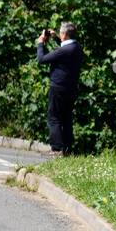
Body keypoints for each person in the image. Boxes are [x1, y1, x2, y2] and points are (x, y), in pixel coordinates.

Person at [37, 21, 83, 154]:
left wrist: (41, 43)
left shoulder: (63, 51)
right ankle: (67, 149)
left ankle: (57, 148)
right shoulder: (77, 47)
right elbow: (65, 47)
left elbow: (42, 59)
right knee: (67, 118)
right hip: (71, 88)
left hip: (58, 88)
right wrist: (56, 37)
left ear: (64, 34)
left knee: (54, 117)